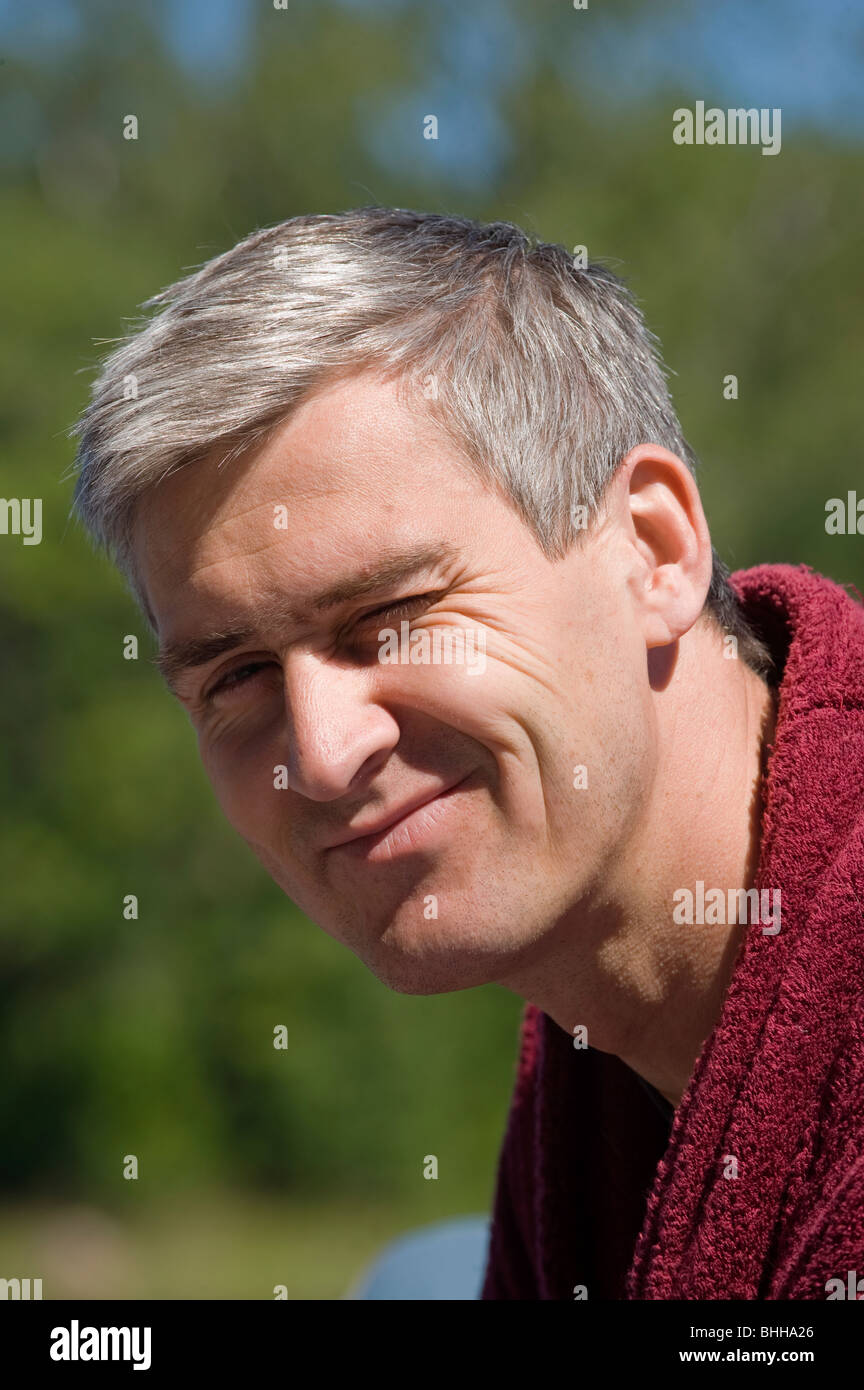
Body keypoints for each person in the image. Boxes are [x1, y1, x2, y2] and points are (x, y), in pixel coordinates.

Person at [70, 207, 864, 1300]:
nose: (327, 752)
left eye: (391, 616)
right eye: (236, 676)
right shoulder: (602, 1060)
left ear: (656, 551)